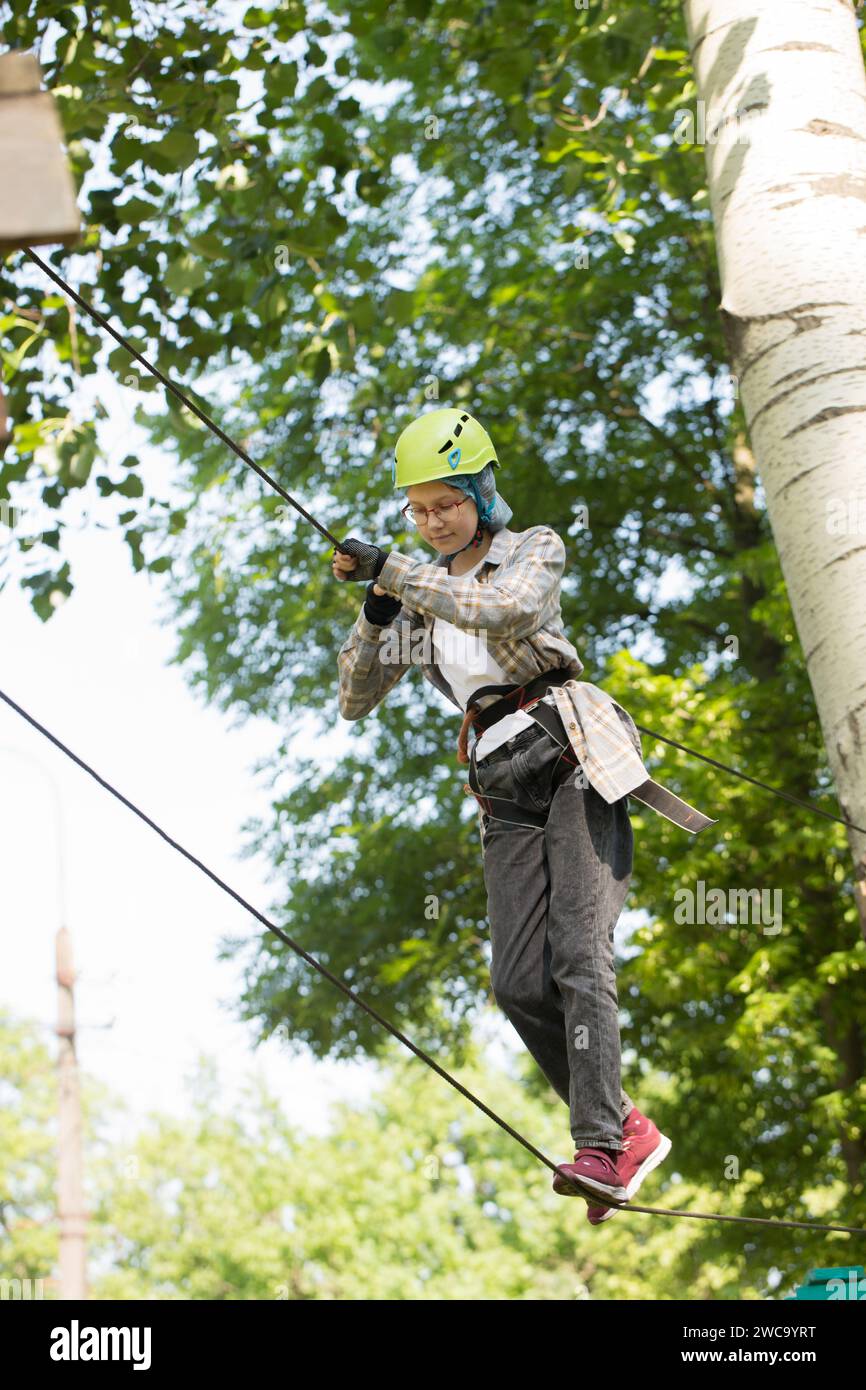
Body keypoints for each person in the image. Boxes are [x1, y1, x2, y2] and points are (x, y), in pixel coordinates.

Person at [330, 407, 707, 1223]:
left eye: (446, 505)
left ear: (480, 493)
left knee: (579, 950)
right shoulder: (418, 600)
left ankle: (602, 1145)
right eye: (418, 510)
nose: (433, 522)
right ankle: (628, 1128)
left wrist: (396, 569)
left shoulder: (532, 548)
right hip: (500, 780)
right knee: (515, 982)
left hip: (568, 748)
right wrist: (377, 611)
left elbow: (505, 612)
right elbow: (354, 699)